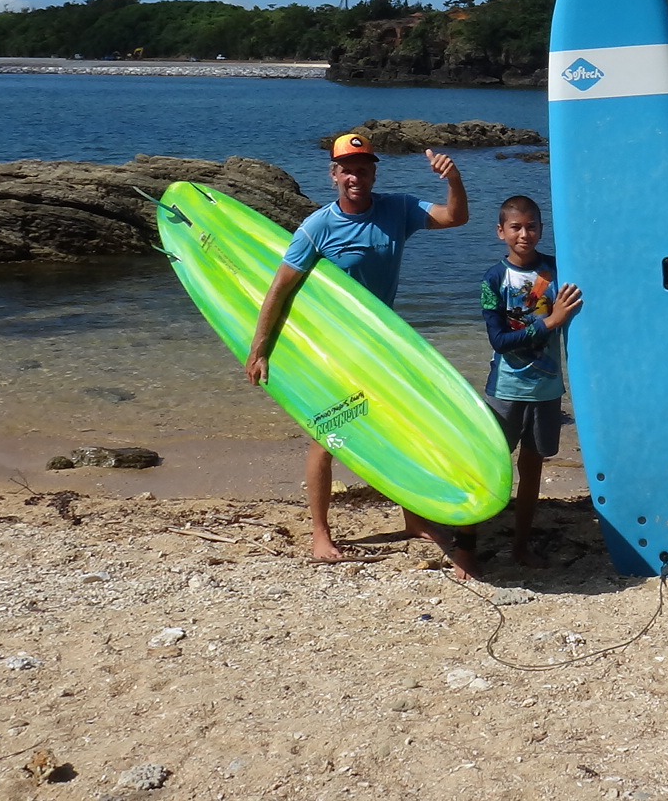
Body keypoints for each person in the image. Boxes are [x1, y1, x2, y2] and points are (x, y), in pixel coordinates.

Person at [244, 132, 469, 562]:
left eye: (363, 169)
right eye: (347, 169)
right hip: (335, 350)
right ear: (333, 175)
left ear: (373, 173)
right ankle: (320, 535)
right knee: (325, 436)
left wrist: (453, 179)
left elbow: (455, 217)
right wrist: (260, 349)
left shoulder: (398, 209)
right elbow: (279, 290)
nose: (355, 177)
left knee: (399, 431)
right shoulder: (316, 227)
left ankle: (414, 518)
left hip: (383, 345)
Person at [449, 195, 582, 579]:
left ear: (542, 229)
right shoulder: (494, 279)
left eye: (532, 227)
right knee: (486, 467)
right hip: (505, 389)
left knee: (532, 470)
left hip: (546, 391)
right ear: (501, 232)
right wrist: (550, 322)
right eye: (516, 227)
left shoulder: (557, 272)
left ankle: (520, 546)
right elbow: (499, 341)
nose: (525, 234)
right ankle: (465, 548)